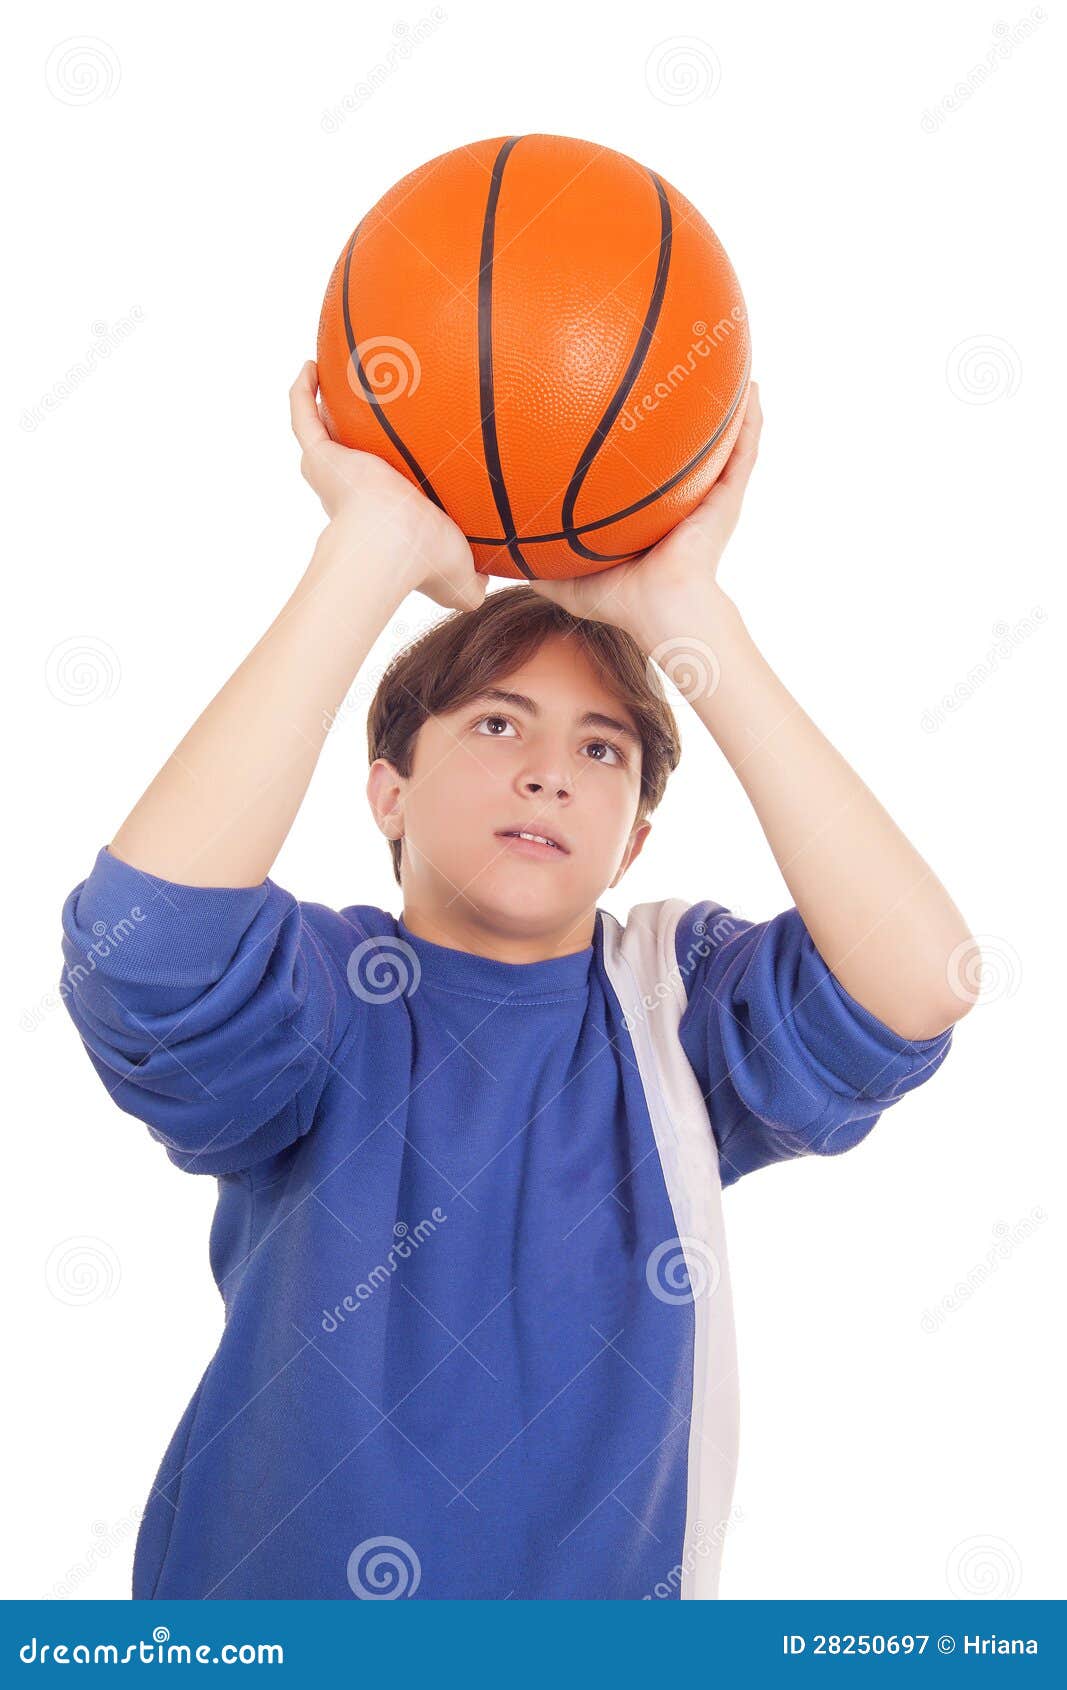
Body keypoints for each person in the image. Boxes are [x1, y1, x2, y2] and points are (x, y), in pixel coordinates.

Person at [58, 364, 977, 1600]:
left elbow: (921, 978)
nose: (550, 771)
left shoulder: (672, 998)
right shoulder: (319, 989)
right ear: (388, 790)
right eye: (497, 724)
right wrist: (370, 548)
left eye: (600, 749)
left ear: (633, 837)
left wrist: (682, 610)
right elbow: (144, 941)